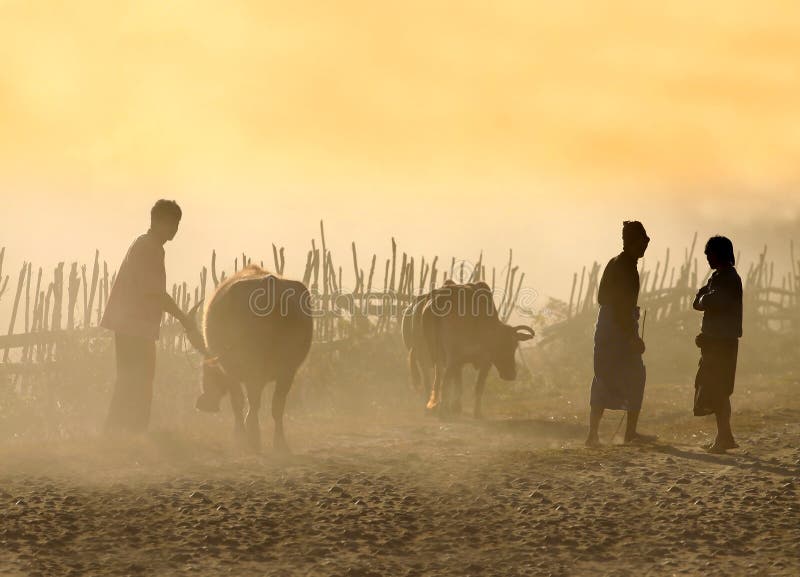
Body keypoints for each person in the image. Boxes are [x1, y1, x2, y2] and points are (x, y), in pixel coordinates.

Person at [101, 200, 204, 433]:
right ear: (158, 221)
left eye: (177, 224)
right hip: (134, 325)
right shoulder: (149, 248)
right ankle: (131, 434)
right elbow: (154, 292)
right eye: (173, 223)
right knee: (138, 382)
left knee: (130, 382)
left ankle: (118, 436)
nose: (175, 229)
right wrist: (182, 317)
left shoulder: (147, 245)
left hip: (132, 324)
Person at [586, 220, 654, 447]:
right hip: (617, 328)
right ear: (632, 243)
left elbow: (603, 299)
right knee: (635, 374)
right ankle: (629, 433)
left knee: (603, 377)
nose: (645, 245)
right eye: (642, 241)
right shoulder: (625, 268)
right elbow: (621, 307)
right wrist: (632, 337)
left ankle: (593, 434)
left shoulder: (616, 263)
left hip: (606, 327)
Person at [692, 235, 742, 453]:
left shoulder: (727, 279)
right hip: (717, 342)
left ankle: (723, 438)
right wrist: (703, 298)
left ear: (719, 254)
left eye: (709, 253)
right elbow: (699, 302)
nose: (707, 257)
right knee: (717, 389)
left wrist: (703, 298)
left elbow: (709, 301)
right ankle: (725, 436)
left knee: (719, 390)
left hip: (721, 343)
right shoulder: (720, 277)